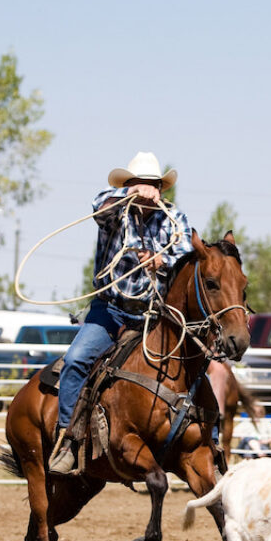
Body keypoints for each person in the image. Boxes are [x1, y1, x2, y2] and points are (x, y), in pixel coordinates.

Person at [49, 151, 195, 474]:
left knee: (194, 367)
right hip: (110, 311)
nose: (146, 189)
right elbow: (97, 205)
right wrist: (128, 193)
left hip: (153, 315)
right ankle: (69, 439)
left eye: (151, 183)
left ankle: (207, 440)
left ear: (160, 187)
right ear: (129, 184)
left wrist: (163, 260)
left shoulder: (174, 218)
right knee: (76, 360)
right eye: (139, 182)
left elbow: (187, 250)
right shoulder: (116, 212)